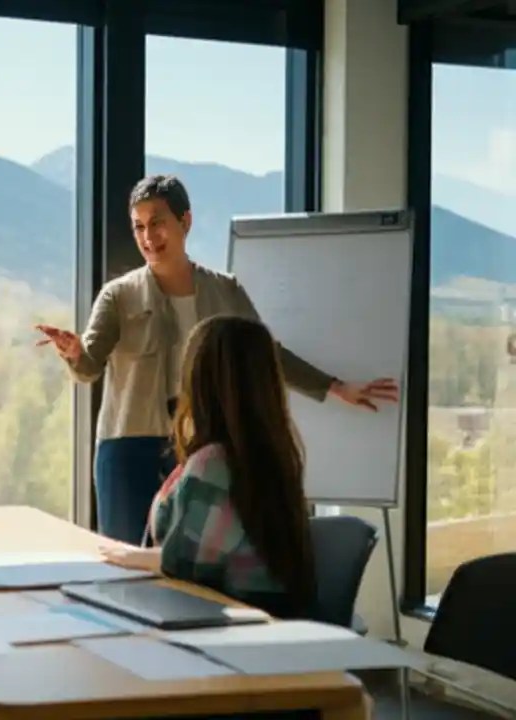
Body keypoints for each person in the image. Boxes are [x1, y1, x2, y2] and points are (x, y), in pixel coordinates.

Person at [36, 174, 398, 543]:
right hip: (128, 448)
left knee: (193, 563)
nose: (148, 237)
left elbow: (265, 354)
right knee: (128, 562)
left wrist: (334, 386)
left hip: (200, 448)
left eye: (157, 223)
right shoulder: (117, 296)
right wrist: (76, 352)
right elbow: (90, 366)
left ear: (185, 222)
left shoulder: (225, 291)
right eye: (139, 227)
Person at [103, 315, 317, 619]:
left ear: (199, 381)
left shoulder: (214, 463)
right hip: (255, 622)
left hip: (224, 625)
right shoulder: (272, 454)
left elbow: (187, 565)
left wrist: (132, 557)